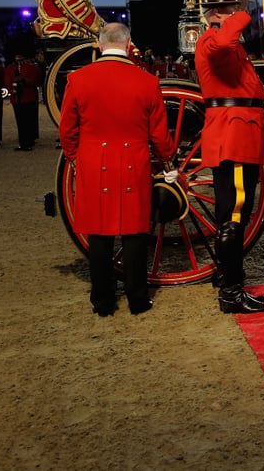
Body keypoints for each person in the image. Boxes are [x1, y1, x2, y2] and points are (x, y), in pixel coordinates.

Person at [58, 23, 175, 316]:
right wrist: (168, 159)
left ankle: (103, 300)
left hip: (93, 161)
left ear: (99, 45)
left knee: (99, 236)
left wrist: (77, 156)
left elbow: (67, 131)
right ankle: (137, 298)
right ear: (128, 44)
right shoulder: (147, 82)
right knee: (135, 233)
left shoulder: (78, 79)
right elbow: (160, 135)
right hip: (134, 160)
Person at [194, 0, 264, 313]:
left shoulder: (222, 41)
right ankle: (232, 291)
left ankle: (228, 279)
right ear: (222, 10)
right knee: (236, 212)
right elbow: (225, 39)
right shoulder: (214, 38)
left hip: (239, 132)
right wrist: (237, 16)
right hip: (235, 134)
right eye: (235, 7)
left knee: (234, 211)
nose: (242, 14)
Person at [5, 44, 43, 151]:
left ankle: (29, 141)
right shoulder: (10, 68)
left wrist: (25, 80)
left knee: (29, 120)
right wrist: (14, 86)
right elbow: (8, 82)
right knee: (20, 121)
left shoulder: (32, 68)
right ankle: (23, 142)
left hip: (29, 97)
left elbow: (37, 81)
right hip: (17, 98)